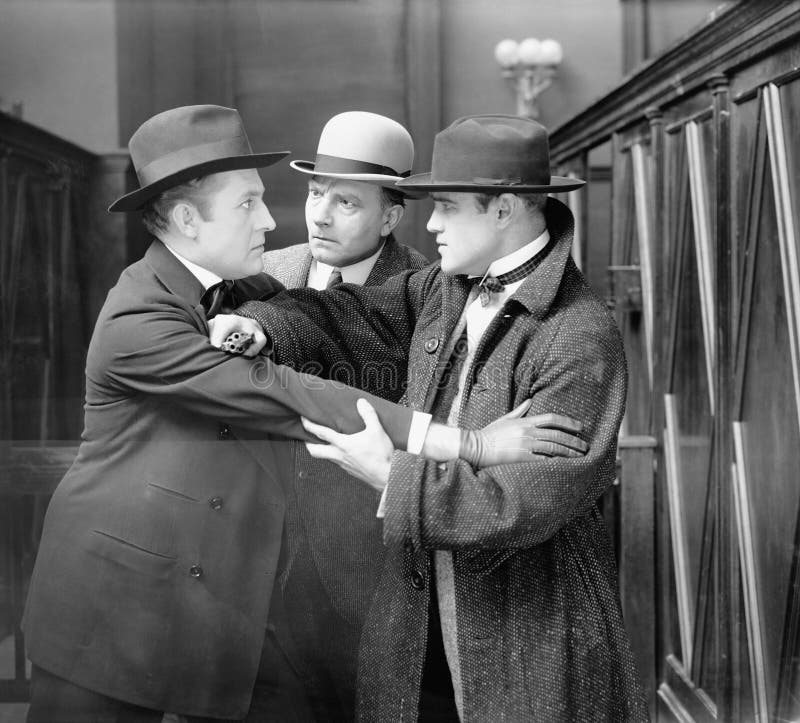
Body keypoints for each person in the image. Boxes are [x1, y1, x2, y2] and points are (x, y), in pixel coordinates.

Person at [21, 105, 587, 723]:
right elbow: (285, 394)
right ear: (187, 218)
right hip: (113, 606)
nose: (279, 218)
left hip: (269, 594)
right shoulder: (138, 320)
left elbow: (313, 313)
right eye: (250, 204)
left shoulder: (255, 287)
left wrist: (257, 323)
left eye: (341, 200)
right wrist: (471, 445)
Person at [217, 114, 649, 721]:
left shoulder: (579, 331)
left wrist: (391, 478)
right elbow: (345, 315)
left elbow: (526, 505)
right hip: (418, 625)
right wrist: (264, 326)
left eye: (445, 205)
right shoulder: (450, 286)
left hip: (523, 633)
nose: (431, 223)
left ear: (503, 209)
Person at [262, 111, 428, 719]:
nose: (320, 215)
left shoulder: (424, 291)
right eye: (314, 194)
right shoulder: (270, 274)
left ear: (390, 214)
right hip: (268, 556)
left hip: (373, 563)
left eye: (346, 202)